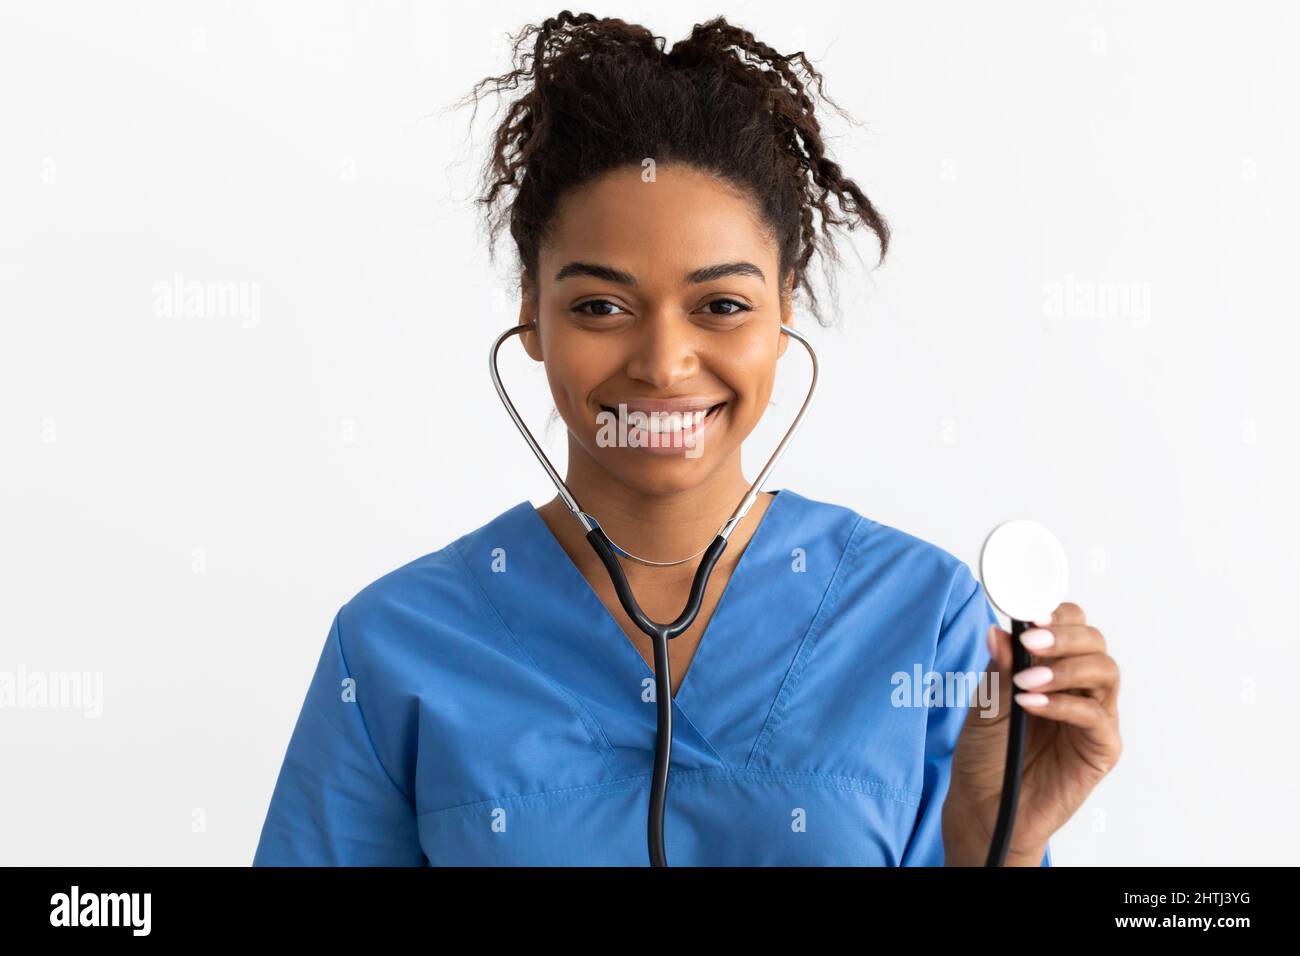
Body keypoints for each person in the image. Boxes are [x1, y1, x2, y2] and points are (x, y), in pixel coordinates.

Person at [252, 11, 1121, 866]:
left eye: (722, 306)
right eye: (600, 305)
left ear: (785, 308)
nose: (665, 364)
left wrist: (1000, 847)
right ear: (530, 310)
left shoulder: (928, 623)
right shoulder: (394, 647)